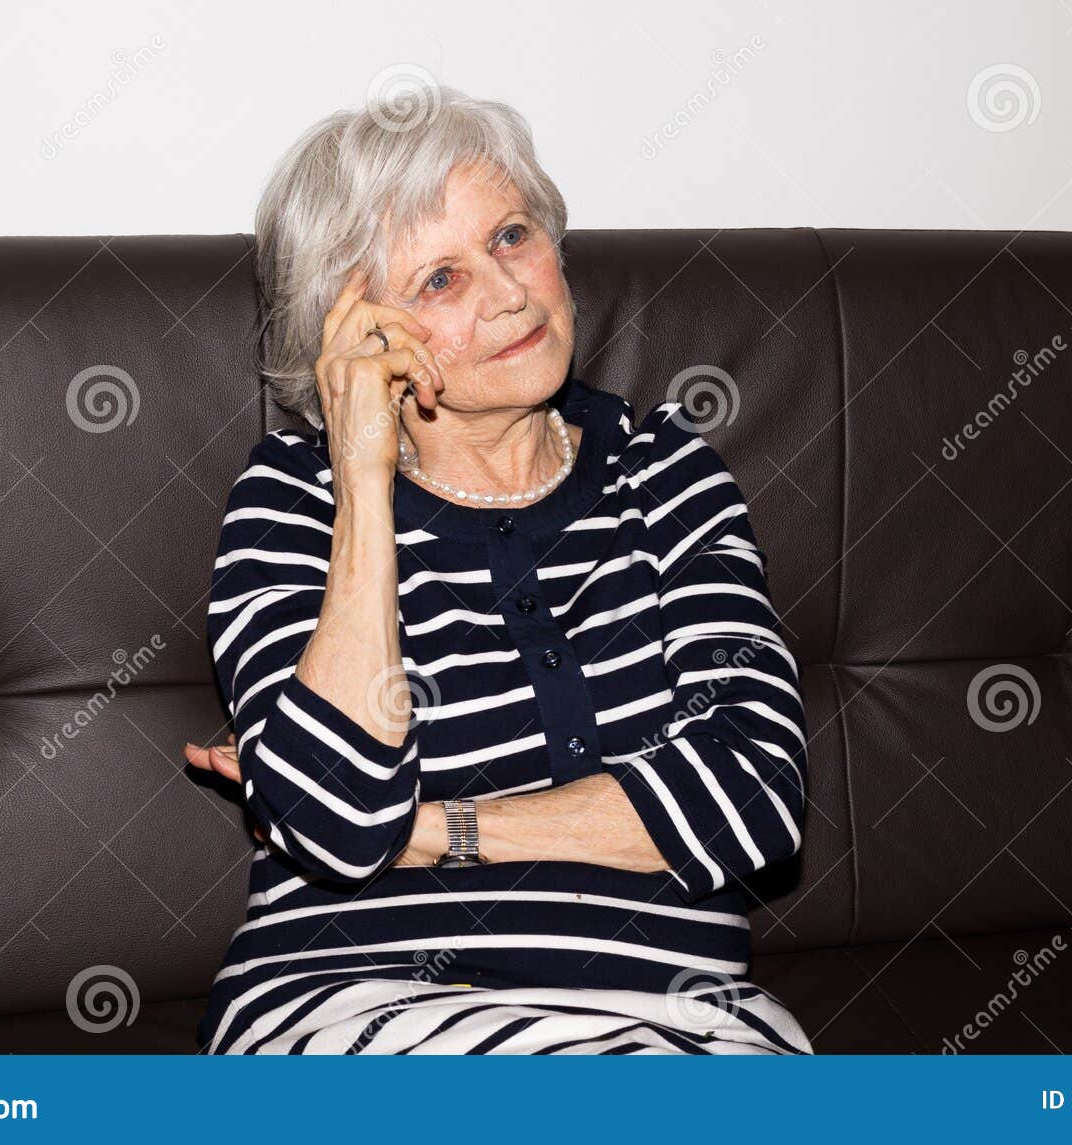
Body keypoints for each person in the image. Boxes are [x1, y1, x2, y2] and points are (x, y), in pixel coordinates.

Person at [182, 84, 811, 1054]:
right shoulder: (296, 499)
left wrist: (432, 830)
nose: (509, 291)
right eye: (440, 280)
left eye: (512, 235)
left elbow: (753, 793)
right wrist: (361, 471)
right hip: (363, 1006)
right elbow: (340, 812)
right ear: (352, 336)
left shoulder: (666, 471)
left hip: (678, 1020)